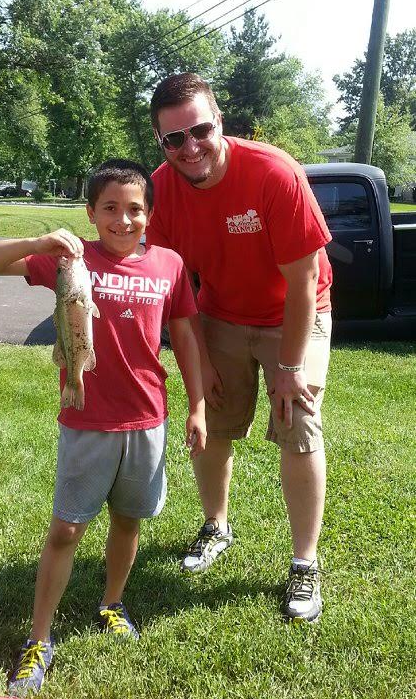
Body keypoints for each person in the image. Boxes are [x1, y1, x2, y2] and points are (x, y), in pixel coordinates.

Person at [0, 159, 206, 695]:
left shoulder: (168, 264)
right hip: (87, 419)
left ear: (150, 214)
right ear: (90, 213)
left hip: (148, 417)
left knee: (128, 521)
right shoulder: (70, 258)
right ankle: (38, 638)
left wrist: (197, 404)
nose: (123, 221)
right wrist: (39, 240)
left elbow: (186, 337)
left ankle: (111, 602)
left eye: (135, 210)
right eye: (110, 209)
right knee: (66, 529)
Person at [146, 73, 333, 623]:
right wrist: (199, 361)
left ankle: (305, 562)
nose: (189, 148)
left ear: (219, 122)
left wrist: (291, 366)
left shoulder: (272, 172)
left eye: (199, 130)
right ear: (161, 142)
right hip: (220, 314)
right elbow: (171, 284)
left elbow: (302, 282)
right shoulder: (163, 188)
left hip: (294, 314)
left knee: (297, 422)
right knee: (211, 421)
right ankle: (216, 525)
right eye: (173, 139)